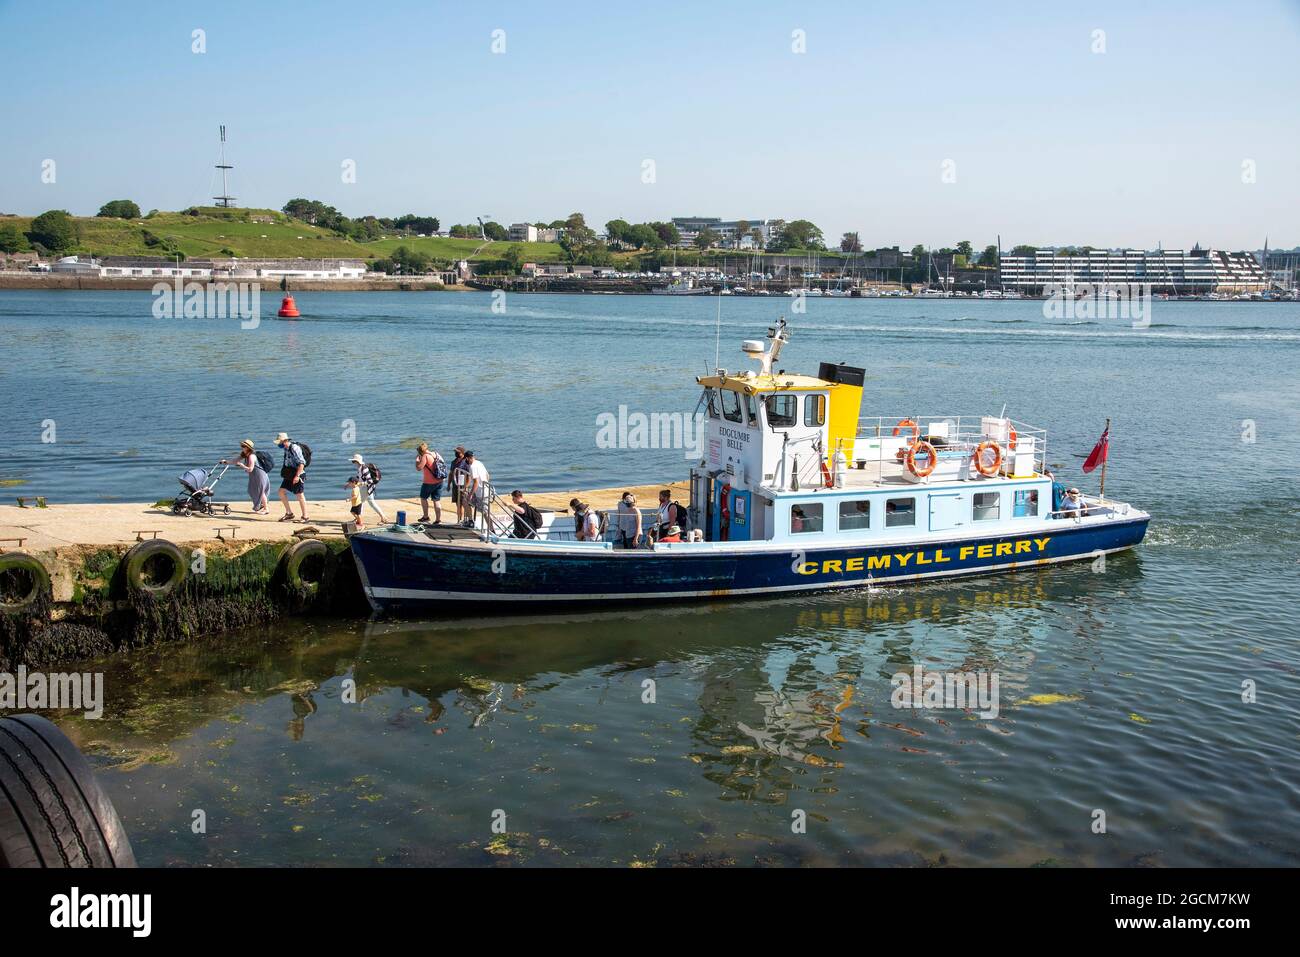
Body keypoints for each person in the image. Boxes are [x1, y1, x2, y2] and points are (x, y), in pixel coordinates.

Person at [222, 439, 268, 514]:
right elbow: (235, 460)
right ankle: (261, 504)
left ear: (248, 448)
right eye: (242, 446)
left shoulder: (251, 456)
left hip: (259, 474)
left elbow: (250, 469)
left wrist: (242, 465)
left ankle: (266, 509)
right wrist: (226, 462)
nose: (242, 447)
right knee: (251, 490)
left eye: (243, 446)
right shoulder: (244, 454)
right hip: (254, 475)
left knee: (260, 491)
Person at [275, 432, 308, 522]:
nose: (279, 444)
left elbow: (302, 463)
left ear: (285, 441)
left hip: (298, 474)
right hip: (290, 474)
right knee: (281, 492)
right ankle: (289, 513)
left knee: (300, 495)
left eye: (279, 442)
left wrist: (297, 476)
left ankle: (305, 517)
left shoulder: (294, 448)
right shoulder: (286, 449)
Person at [349, 454, 387, 524]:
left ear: (357, 461)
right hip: (366, 488)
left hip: (366, 488)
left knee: (359, 503)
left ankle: (358, 519)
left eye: (354, 461)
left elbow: (370, 481)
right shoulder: (360, 468)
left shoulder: (364, 468)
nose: (353, 463)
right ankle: (383, 517)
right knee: (371, 503)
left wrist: (361, 484)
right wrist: (352, 483)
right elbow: (359, 478)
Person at [415, 442, 446, 525]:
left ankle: (426, 516)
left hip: (428, 482)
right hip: (439, 480)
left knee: (423, 498)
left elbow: (419, 468)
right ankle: (438, 520)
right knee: (436, 500)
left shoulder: (425, 456)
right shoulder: (435, 454)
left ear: (420, 451)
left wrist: (417, 461)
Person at [461, 451, 490, 528]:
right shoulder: (479, 463)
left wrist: (470, 494)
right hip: (481, 490)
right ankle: (471, 521)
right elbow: (488, 475)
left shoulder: (472, 467)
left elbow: (476, 483)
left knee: (485, 512)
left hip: (482, 493)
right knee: (464, 500)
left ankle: (492, 529)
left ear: (467, 458)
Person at [450, 446, 469, 525]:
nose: (456, 453)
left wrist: (466, 486)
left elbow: (469, 476)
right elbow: (451, 473)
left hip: (463, 485)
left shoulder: (465, 462)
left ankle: (468, 519)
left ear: (462, 453)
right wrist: (448, 484)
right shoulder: (453, 462)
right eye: (455, 452)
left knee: (464, 503)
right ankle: (459, 519)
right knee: (458, 504)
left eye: (458, 452)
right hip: (455, 485)